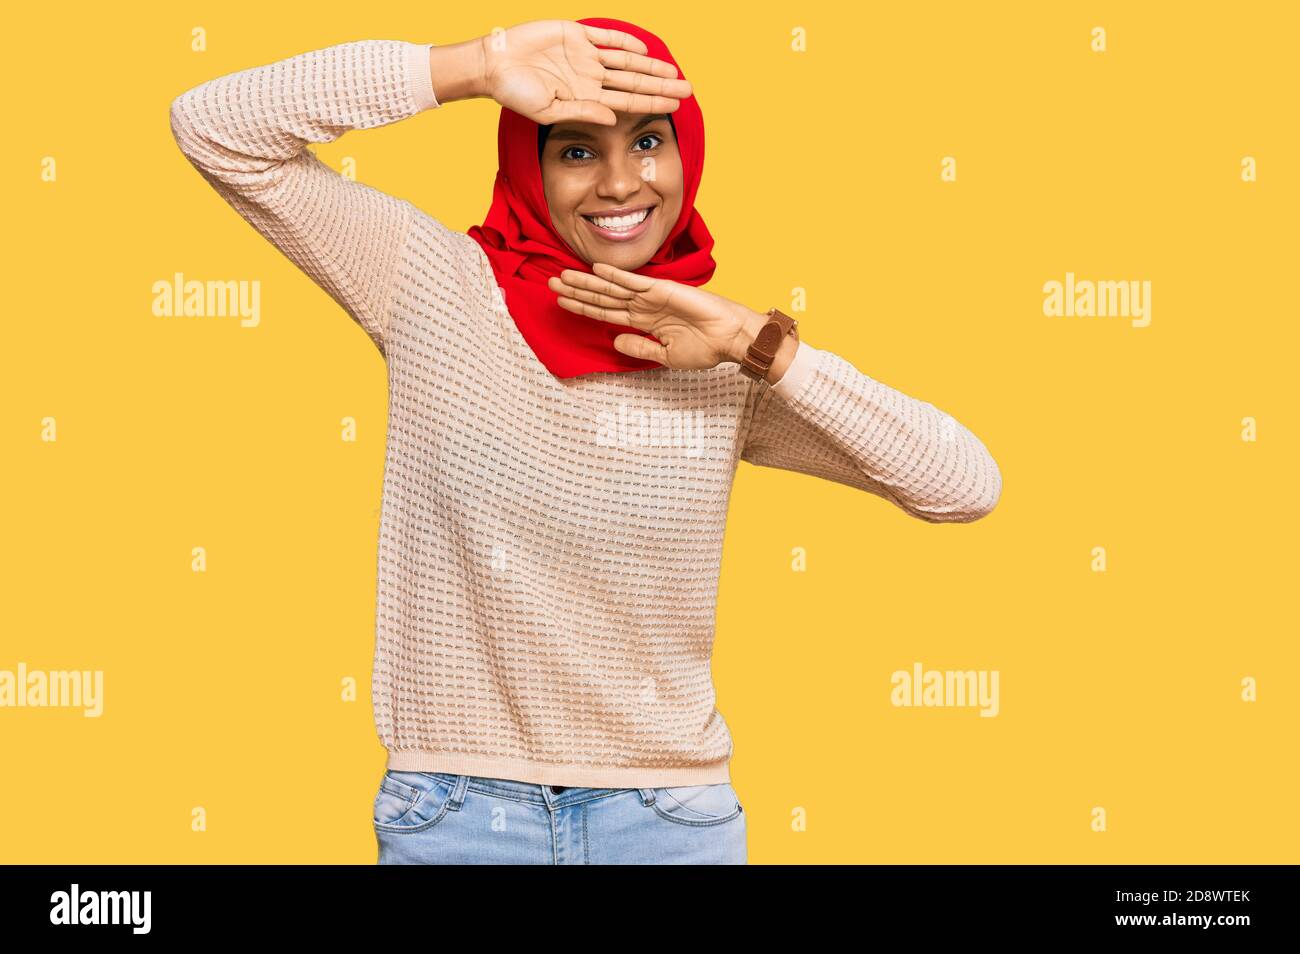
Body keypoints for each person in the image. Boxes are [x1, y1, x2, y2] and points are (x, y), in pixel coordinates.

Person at [169, 17, 1002, 865]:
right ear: (529, 165)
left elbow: (963, 484)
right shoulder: (426, 281)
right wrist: (476, 67)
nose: (619, 182)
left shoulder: (719, 358)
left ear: (689, 156)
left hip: (668, 820)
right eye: (574, 150)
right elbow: (214, 125)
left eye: (648, 141)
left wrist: (766, 346)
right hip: (456, 813)